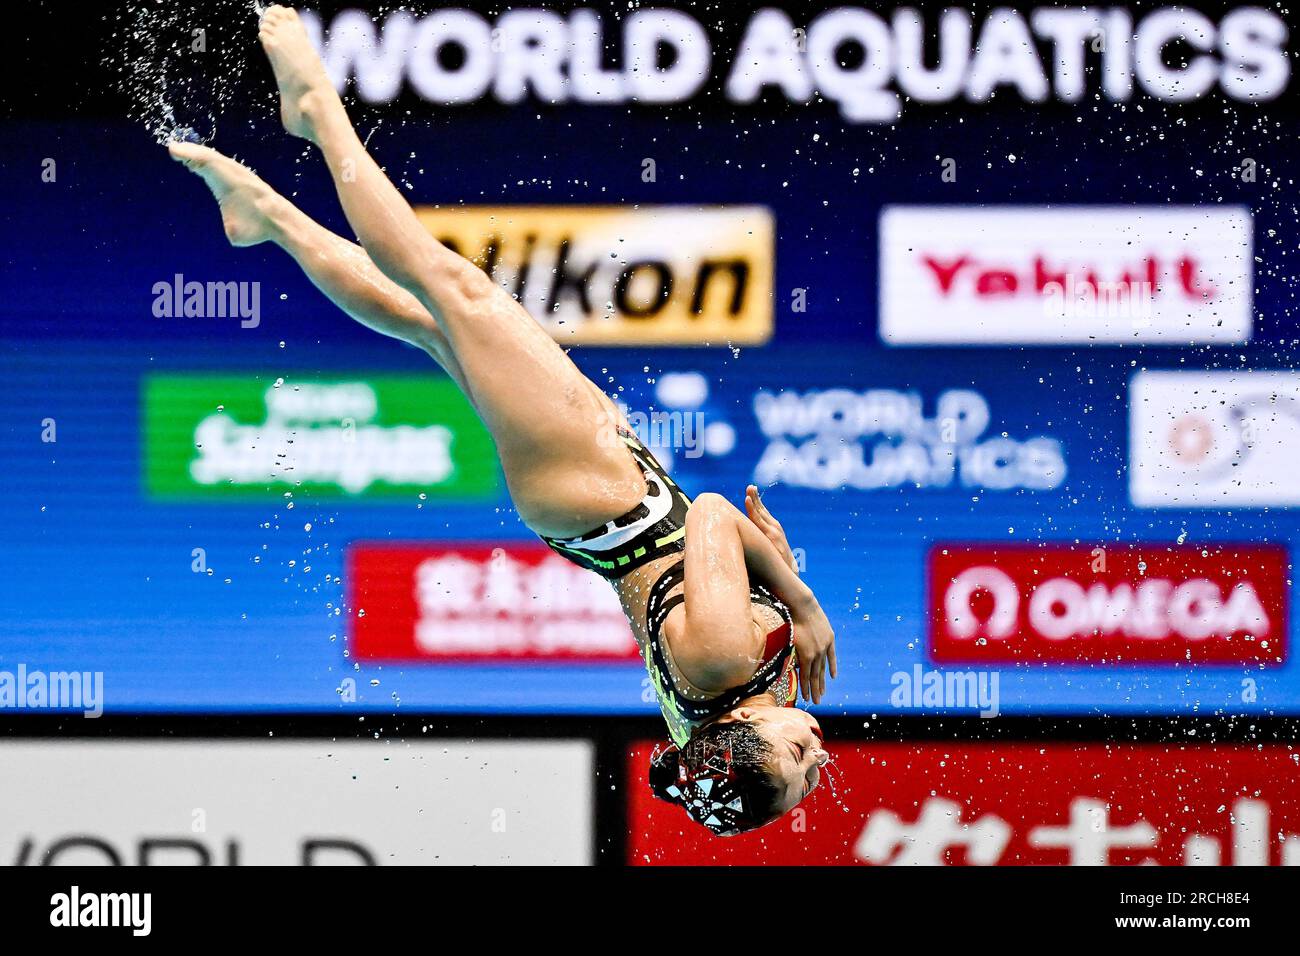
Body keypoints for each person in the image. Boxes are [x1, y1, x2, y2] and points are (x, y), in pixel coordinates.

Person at [169, 5, 835, 836]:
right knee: (426, 322)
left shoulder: (726, 667)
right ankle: (265, 215)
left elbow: (709, 516)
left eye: (796, 761)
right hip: (600, 507)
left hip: (603, 491)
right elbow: (717, 570)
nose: (819, 752)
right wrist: (766, 566)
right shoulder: (718, 708)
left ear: (738, 737)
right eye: (811, 777)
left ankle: (316, 113)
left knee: (455, 288)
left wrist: (797, 598)